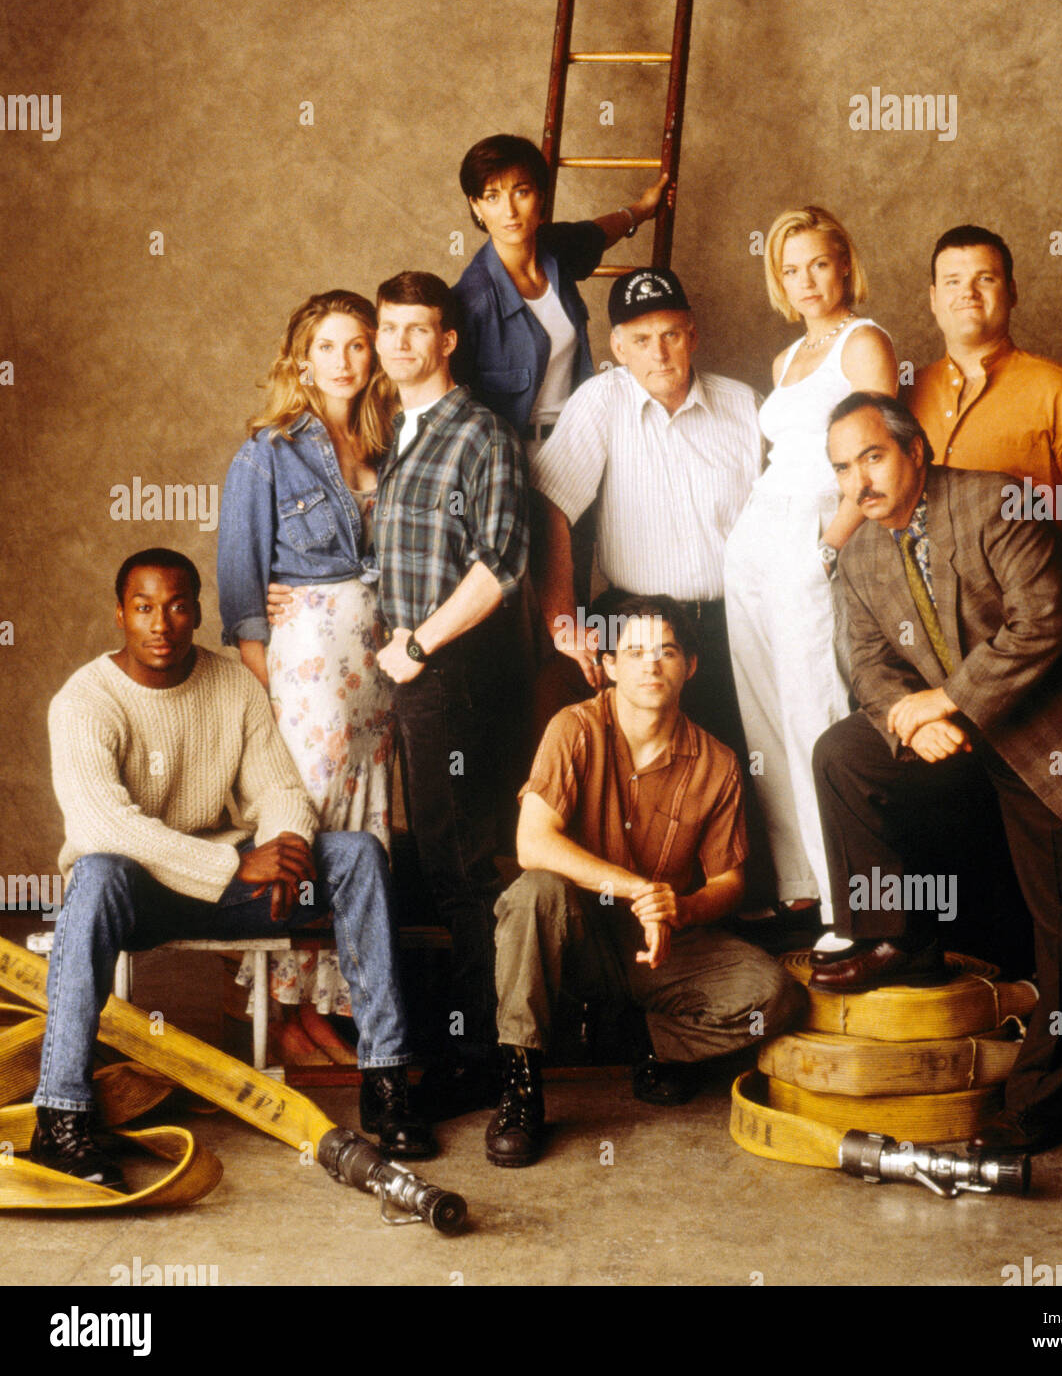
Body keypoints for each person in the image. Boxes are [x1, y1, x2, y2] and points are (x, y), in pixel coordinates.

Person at [808, 394, 1062, 1151]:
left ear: (916, 452)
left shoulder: (996, 499)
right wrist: (905, 720)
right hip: (973, 744)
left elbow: (1042, 618)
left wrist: (945, 702)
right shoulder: (858, 554)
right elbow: (869, 667)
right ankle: (901, 939)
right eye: (843, 469)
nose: (859, 481)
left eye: (872, 457)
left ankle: (1050, 1101)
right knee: (844, 754)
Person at [31, 550, 431, 1190]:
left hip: (233, 884)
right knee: (96, 872)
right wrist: (235, 865)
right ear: (119, 615)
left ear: (196, 612)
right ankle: (62, 1116)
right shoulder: (84, 699)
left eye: (176, 605)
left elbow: (280, 789)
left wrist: (284, 848)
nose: (160, 624)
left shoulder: (231, 685)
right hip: (140, 893)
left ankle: (386, 1083)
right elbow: (103, 826)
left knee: (357, 853)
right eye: (143, 608)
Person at [485, 596, 807, 1167]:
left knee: (774, 996)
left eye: (666, 652)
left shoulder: (719, 762)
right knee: (534, 892)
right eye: (634, 652)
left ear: (690, 666)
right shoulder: (575, 727)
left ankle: (646, 1043)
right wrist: (640, 889)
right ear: (609, 664)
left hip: (662, 949)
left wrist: (680, 909)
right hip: (575, 935)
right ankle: (521, 1088)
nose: (650, 665)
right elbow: (531, 843)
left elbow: (729, 881)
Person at [218, 290, 396, 1067]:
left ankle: (335, 1004)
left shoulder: (391, 439)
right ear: (302, 358)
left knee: (365, 834)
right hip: (309, 674)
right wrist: (274, 690)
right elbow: (238, 593)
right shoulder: (268, 450)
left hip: (378, 673)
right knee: (307, 828)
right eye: (328, 346)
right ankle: (283, 1009)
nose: (345, 361)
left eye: (359, 344)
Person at [372, 270, 530, 1118]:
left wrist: (421, 645)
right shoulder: (399, 431)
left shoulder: (479, 435)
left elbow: (499, 566)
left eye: (416, 329)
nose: (399, 343)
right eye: (388, 328)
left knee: (465, 868)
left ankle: (486, 1055)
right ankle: (471, 1040)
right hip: (411, 677)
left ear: (447, 341)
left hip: (454, 675)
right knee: (436, 860)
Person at [723, 206, 898, 936]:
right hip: (757, 535)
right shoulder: (785, 359)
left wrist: (829, 541)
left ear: (843, 262)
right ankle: (801, 883)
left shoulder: (863, 343)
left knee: (813, 712)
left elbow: (884, 454)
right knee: (763, 718)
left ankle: (849, 905)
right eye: (790, 269)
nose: (805, 281)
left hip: (815, 531)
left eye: (817, 263)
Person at [529, 267, 762, 760]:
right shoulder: (601, 400)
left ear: (692, 335)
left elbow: (785, 523)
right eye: (641, 339)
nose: (658, 353)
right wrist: (563, 624)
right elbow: (549, 505)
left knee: (737, 764)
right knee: (582, 723)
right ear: (618, 347)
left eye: (670, 335)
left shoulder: (744, 407)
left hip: (728, 621)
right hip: (628, 616)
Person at [904, 224, 1062, 609]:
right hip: (931, 634)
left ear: (1012, 292)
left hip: (1038, 628)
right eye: (952, 281)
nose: (967, 292)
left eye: (985, 278)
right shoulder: (903, 396)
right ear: (933, 299)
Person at [452, 132, 668, 443]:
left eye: (521, 192)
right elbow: (452, 406)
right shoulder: (471, 300)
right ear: (476, 206)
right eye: (492, 197)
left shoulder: (555, 249)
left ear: (540, 195)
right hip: (509, 459)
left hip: (579, 442)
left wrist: (643, 208)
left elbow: (597, 233)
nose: (509, 211)